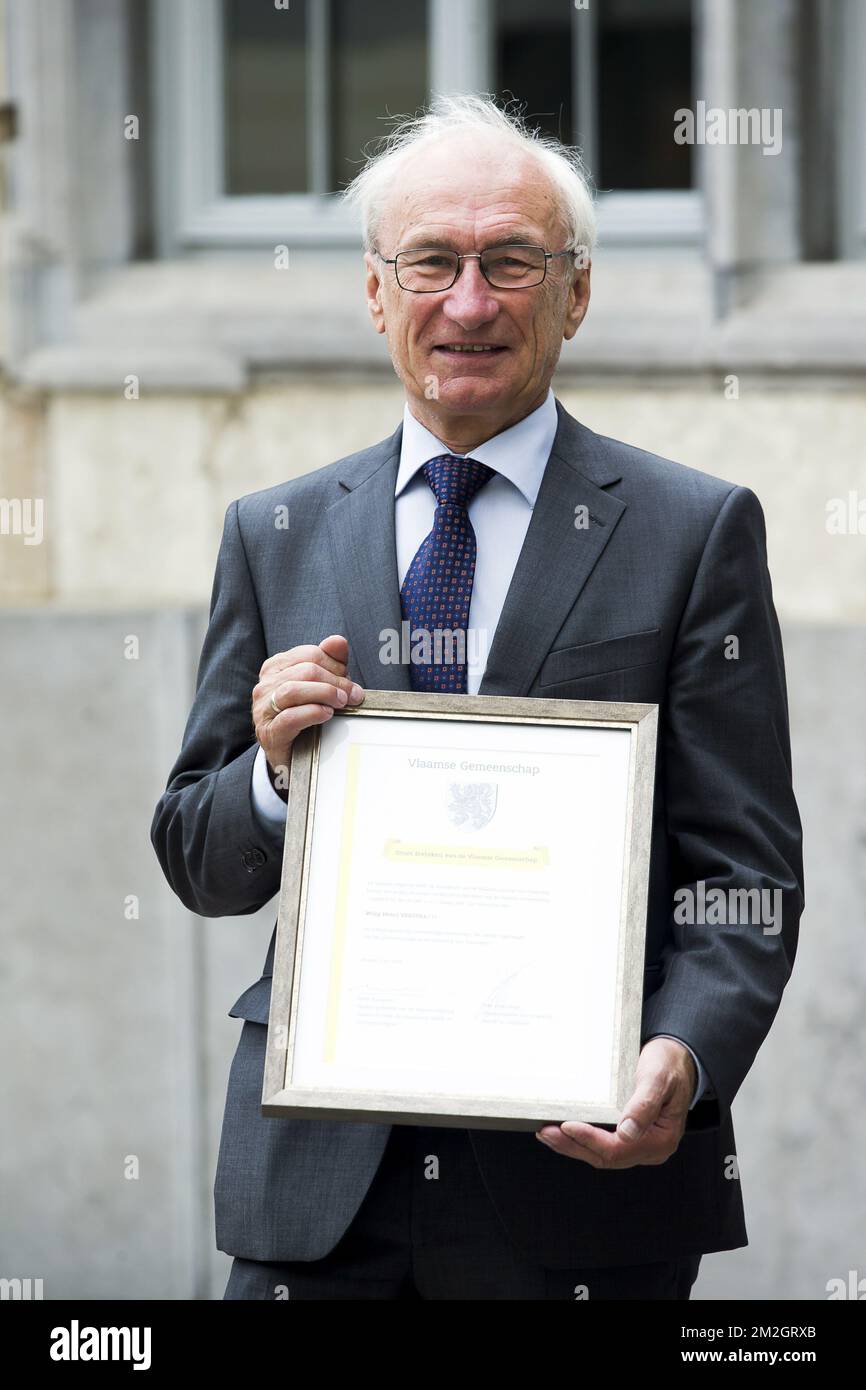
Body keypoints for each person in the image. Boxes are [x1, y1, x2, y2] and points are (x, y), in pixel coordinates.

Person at [151, 95, 804, 1300]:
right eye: (430, 264)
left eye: (510, 262)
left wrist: (685, 1055)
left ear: (575, 293)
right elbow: (200, 857)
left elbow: (741, 872)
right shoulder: (275, 532)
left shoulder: (691, 531)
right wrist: (271, 777)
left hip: (583, 1184)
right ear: (372, 292)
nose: (468, 303)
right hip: (316, 1191)